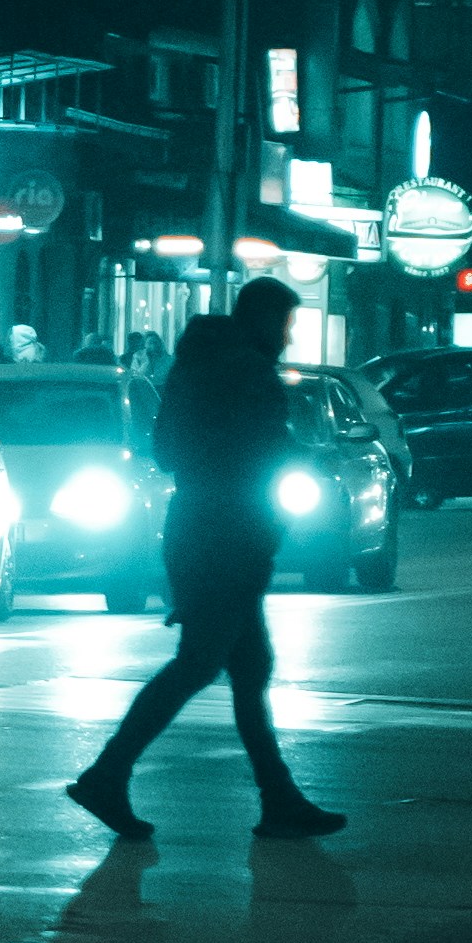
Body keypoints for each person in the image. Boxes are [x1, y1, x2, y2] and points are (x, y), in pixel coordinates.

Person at [67, 277, 344, 842]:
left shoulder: (194, 368)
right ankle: (107, 773)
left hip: (198, 528)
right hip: (229, 535)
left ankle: (278, 796)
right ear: (263, 319)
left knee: (246, 666)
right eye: (286, 324)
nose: (288, 338)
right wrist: (290, 460)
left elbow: (169, 451)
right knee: (203, 662)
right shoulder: (246, 372)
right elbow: (262, 452)